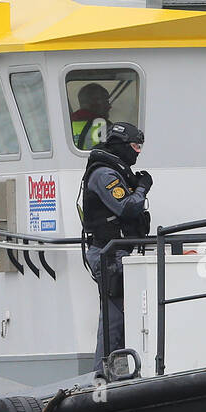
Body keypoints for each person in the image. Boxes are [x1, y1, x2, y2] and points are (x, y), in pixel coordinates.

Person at [80, 122, 151, 375]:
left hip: (119, 253)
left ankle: (117, 371)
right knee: (114, 318)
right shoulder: (104, 174)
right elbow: (128, 207)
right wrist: (142, 187)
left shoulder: (115, 170)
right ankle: (105, 374)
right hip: (109, 255)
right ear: (122, 145)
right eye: (135, 146)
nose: (138, 152)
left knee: (122, 316)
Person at [70, 83, 113, 150]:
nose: (110, 106)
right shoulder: (106, 128)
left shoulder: (66, 124)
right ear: (95, 103)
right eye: (106, 101)